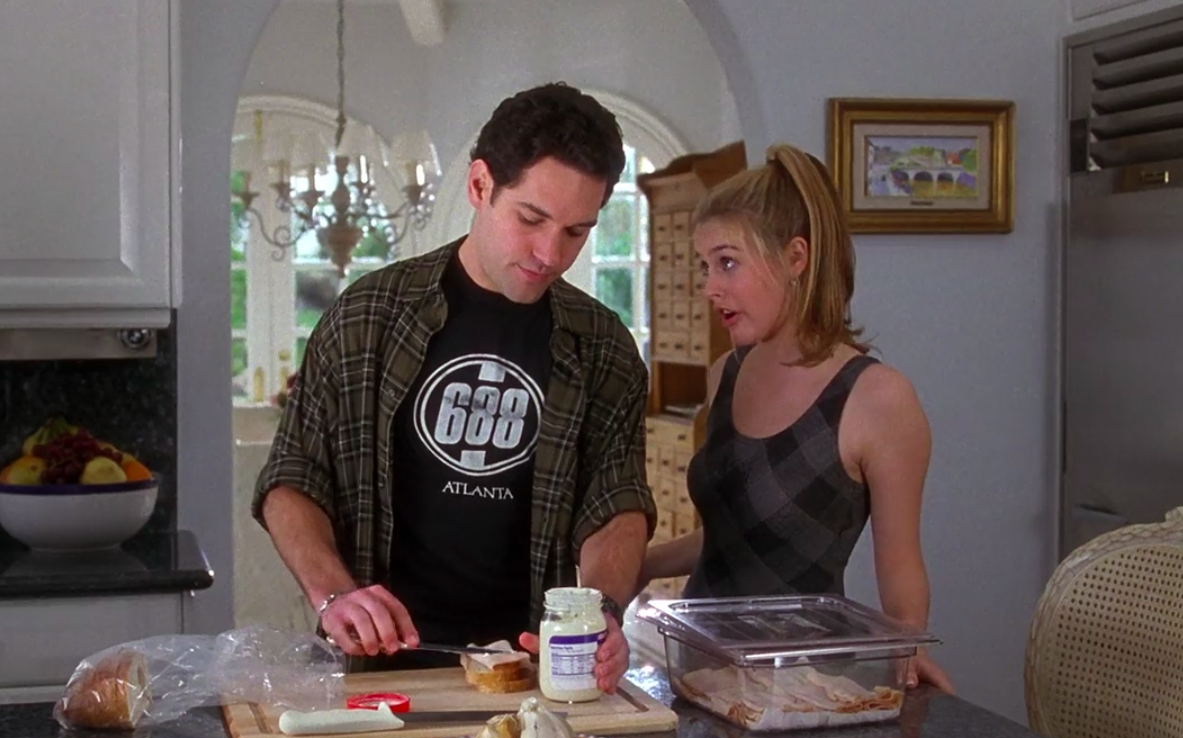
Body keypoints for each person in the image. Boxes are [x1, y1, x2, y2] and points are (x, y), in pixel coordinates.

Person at [252, 83, 655, 693]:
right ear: (479, 185)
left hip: (533, 675)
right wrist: (334, 593)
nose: (550, 254)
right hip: (375, 671)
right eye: (531, 219)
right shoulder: (368, 316)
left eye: (576, 231)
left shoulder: (602, 345)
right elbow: (292, 478)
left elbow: (617, 504)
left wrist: (599, 612)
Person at [637, 143, 953, 692]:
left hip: (804, 685)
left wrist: (906, 652)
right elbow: (737, 536)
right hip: (697, 670)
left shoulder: (877, 399)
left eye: (727, 262)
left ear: (796, 258)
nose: (710, 287)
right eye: (706, 266)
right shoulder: (725, 375)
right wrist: (639, 564)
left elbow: (901, 568)